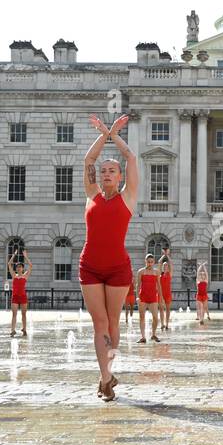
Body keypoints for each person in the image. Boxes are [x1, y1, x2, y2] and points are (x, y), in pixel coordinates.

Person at [78, 114, 139, 401]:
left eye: (112, 171)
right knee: (99, 322)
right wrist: (103, 135)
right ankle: (105, 378)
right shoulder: (92, 195)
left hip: (117, 269)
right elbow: (88, 161)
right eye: (104, 171)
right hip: (89, 266)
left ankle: (108, 370)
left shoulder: (128, 198)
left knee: (113, 322)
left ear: (120, 176)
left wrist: (114, 135)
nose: (106, 174)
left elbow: (131, 157)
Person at [135, 253, 161, 343]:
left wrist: (161, 298)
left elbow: (159, 285)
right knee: (142, 317)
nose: (150, 263)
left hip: (153, 296)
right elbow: (138, 285)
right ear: (145, 261)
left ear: (153, 262)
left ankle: (153, 334)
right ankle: (143, 337)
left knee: (155, 317)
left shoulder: (156, 272)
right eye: (148, 262)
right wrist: (137, 297)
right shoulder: (141, 271)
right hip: (143, 297)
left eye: (151, 262)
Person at [7, 252, 31, 337]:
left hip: (23, 297)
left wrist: (25, 256)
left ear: (22, 268)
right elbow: (9, 264)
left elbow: (31, 265)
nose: (18, 268)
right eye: (17, 267)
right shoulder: (14, 275)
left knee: (24, 314)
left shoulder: (25, 276)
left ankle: (24, 329)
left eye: (20, 267)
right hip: (15, 297)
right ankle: (12, 330)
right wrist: (14, 255)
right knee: (14, 314)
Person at [158, 248, 174, 331]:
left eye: (166, 266)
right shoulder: (159, 274)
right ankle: (162, 324)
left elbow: (171, 263)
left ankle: (167, 324)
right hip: (161, 293)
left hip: (167, 293)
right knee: (161, 309)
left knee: (168, 309)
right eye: (164, 266)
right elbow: (159, 263)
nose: (165, 267)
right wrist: (163, 255)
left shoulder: (169, 274)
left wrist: (167, 255)